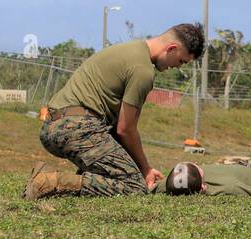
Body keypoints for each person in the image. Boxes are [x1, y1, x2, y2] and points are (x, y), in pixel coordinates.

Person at [24, 25, 205, 199]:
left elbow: (118, 130)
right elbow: (125, 129)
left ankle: (82, 180)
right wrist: (146, 169)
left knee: (120, 164)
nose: (178, 67)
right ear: (171, 48)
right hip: (76, 128)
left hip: (55, 124)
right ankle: (49, 181)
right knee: (134, 186)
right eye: (181, 61)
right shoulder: (142, 70)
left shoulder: (130, 49)